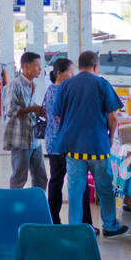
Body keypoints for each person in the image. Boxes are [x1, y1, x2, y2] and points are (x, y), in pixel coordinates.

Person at [52, 50, 128, 236]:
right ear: (96, 66)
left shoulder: (66, 85)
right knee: (104, 189)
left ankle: (76, 229)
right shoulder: (102, 83)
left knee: (76, 190)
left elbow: (58, 115)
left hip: (74, 148)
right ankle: (110, 226)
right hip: (98, 148)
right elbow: (113, 117)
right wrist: (109, 139)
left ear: (79, 66)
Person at [43, 57, 96, 229]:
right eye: (70, 71)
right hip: (69, 144)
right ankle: (85, 223)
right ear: (59, 73)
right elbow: (66, 119)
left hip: (53, 143)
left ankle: (53, 221)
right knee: (80, 185)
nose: (73, 75)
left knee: (56, 182)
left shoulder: (50, 89)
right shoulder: (65, 91)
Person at [3, 51, 48, 191]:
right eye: (37, 66)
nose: (40, 69)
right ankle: (14, 206)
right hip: (21, 139)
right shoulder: (15, 85)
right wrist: (33, 108)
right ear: (26, 67)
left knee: (41, 177)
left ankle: (37, 203)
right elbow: (10, 110)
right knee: (19, 177)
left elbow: (29, 106)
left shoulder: (32, 85)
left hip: (33, 139)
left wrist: (39, 111)